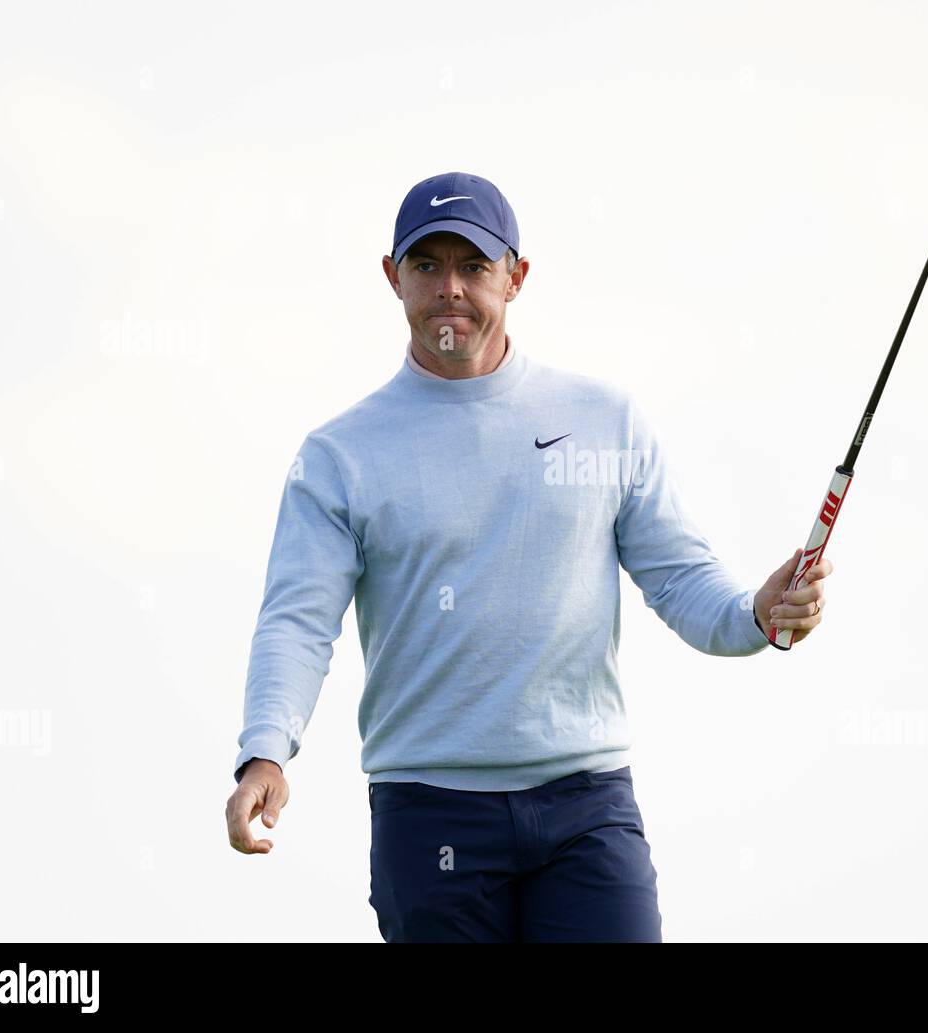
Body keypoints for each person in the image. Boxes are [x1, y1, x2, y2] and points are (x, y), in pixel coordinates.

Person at [223, 171, 832, 941]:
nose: (450, 287)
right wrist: (264, 753)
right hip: (428, 809)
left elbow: (680, 580)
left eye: (474, 265)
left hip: (588, 807)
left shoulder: (602, 419)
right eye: (426, 265)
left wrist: (756, 612)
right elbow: (297, 621)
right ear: (392, 277)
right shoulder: (340, 455)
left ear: (516, 277)